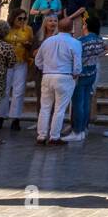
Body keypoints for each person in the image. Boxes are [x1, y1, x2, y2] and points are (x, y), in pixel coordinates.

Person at [34, 14, 82, 146]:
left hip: (47, 75)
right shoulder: (75, 42)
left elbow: (38, 60)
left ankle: (41, 135)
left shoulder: (48, 41)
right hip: (65, 76)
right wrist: (75, 73)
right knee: (59, 109)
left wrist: (46, 68)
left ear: (59, 27)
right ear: (71, 28)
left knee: (45, 107)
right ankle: (54, 136)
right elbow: (77, 63)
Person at [64, 14, 105, 142]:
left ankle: (77, 130)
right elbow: (106, 48)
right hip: (92, 72)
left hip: (80, 75)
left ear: (86, 25)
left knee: (78, 103)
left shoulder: (81, 41)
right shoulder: (99, 39)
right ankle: (84, 128)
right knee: (86, 102)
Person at [0, 9, 34, 131]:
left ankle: (15, 118)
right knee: (4, 89)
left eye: (24, 18)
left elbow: (32, 43)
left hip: (21, 61)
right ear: (13, 18)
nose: (22, 21)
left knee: (18, 91)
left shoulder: (28, 30)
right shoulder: (6, 28)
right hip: (6, 62)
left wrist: (28, 45)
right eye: (20, 18)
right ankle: (0, 116)